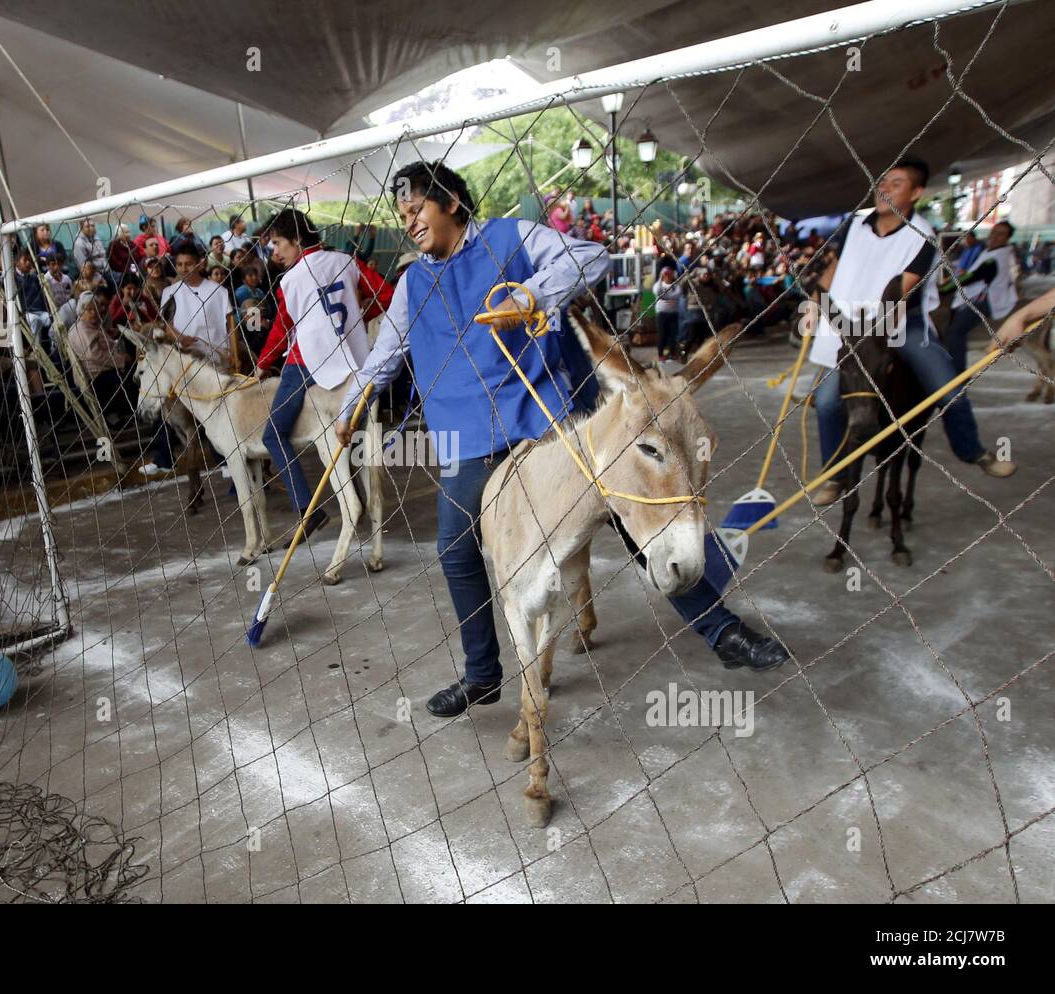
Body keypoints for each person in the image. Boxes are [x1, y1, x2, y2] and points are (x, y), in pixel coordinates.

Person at [335, 161, 788, 717]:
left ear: (451, 200)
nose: (409, 222)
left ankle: (721, 631)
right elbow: (388, 353)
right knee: (455, 548)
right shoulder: (411, 284)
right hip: (466, 431)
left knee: (628, 509)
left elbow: (590, 257)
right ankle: (482, 674)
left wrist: (528, 295)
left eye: (417, 209)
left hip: (540, 414)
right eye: (403, 214)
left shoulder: (511, 238)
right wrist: (352, 403)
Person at [805, 157, 1017, 507]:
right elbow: (831, 271)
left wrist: (864, 324)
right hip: (852, 327)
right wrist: (815, 305)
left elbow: (901, 288)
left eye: (896, 183)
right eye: (883, 181)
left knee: (949, 389)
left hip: (902, 324)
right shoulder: (853, 226)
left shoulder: (923, 237)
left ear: (916, 193)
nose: (885, 188)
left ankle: (973, 451)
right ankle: (836, 475)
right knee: (826, 402)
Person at [254, 208, 391, 533]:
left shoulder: (289, 281)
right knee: (350, 437)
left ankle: (308, 509)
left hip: (306, 364)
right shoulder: (347, 260)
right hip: (354, 363)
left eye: (277, 243)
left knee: (273, 436)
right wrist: (356, 316)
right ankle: (356, 501)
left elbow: (281, 328)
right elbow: (387, 295)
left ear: (297, 240)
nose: (274, 252)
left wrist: (262, 363)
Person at [941, 220, 1018, 373]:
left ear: (1007, 238)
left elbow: (973, 277)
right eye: (994, 232)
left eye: (1001, 234)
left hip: (989, 299)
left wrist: (942, 290)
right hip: (983, 293)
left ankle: (958, 373)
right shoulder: (990, 251)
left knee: (956, 332)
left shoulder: (994, 258)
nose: (995, 236)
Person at [159, 240, 234, 368]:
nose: (183, 269)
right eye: (179, 264)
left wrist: (234, 353)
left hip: (217, 357)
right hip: (185, 360)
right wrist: (181, 338)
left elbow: (231, 325)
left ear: (199, 264)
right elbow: (167, 325)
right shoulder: (169, 292)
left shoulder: (219, 291)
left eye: (188, 264)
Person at [68, 290, 133, 420]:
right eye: (89, 310)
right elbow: (95, 356)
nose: (94, 313)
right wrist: (122, 359)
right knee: (134, 374)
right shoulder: (82, 330)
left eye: (96, 309)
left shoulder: (90, 326)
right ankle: (121, 414)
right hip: (96, 377)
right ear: (81, 311)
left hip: (104, 371)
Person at [654, 265, 682, 362]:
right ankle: (661, 354)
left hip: (673, 313)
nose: (668, 276)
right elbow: (658, 292)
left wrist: (666, 296)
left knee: (673, 335)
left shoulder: (675, 285)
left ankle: (672, 353)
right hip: (662, 313)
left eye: (669, 274)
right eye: (666, 274)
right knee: (662, 334)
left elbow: (677, 294)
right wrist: (661, 278)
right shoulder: (659, 285)